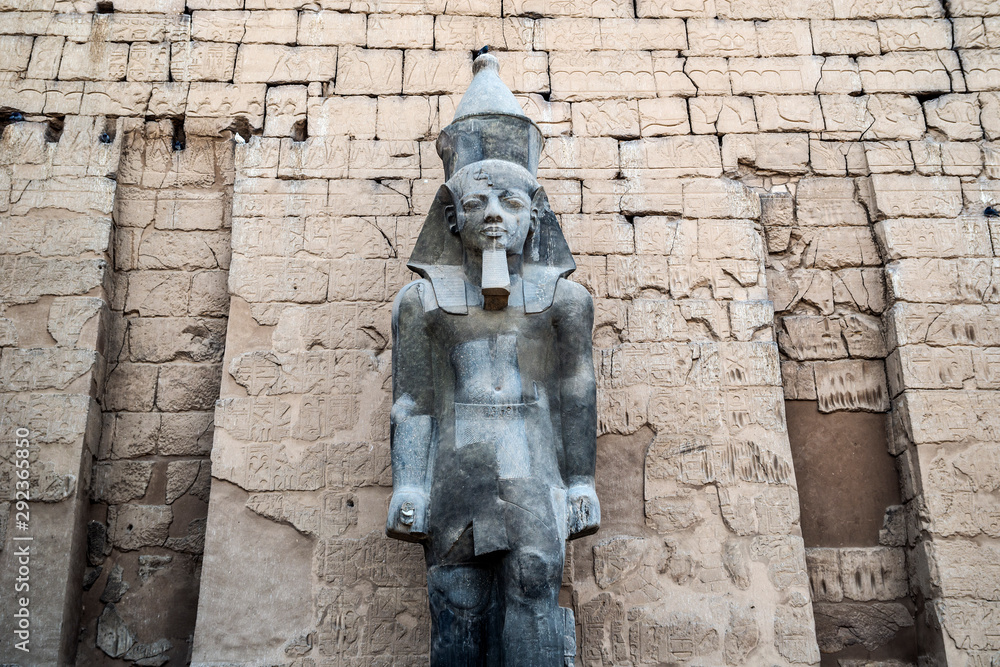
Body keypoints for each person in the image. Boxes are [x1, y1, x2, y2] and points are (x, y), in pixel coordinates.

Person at [385, 52, 599, 667]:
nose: (496, 216)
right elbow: (414, 400)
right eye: (479, 203)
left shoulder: (564, 299)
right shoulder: (423, 301)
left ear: (536, 216)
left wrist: (582, 481)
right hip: (456, 471)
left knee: (535, 591)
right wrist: (409, 484)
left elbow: (575, 390)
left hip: (537, 473)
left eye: (510, 201)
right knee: (455, 606)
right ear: (451, 218)